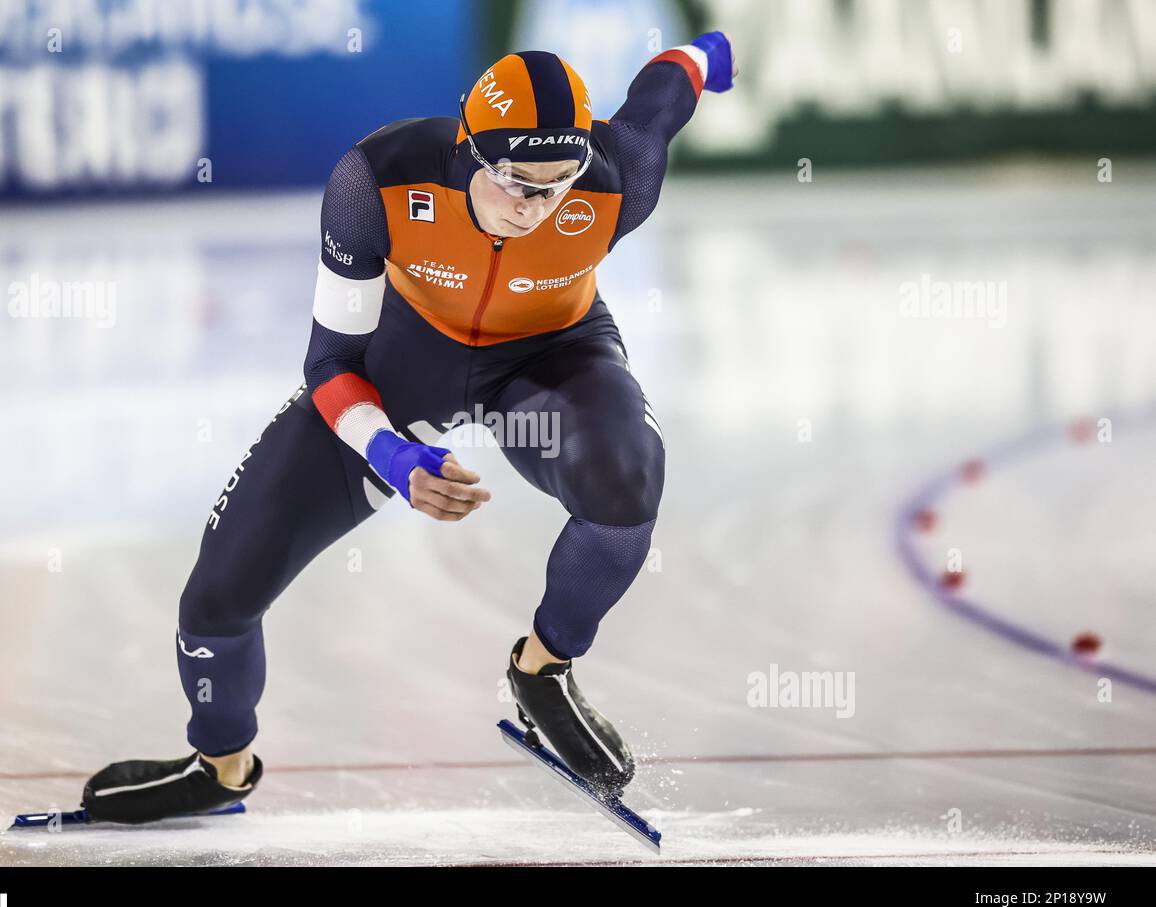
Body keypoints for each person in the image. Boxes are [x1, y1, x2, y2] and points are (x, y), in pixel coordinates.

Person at [81, 32, 738, 824]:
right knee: (218, 596)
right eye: (514, 183)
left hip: (549, 360)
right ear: (469, 149)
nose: (533, 208)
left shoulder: (616, 179)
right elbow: (329, 365)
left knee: (627, 484)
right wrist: (389, 452)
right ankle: (221, 766)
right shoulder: (377, 180)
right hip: (400, 363)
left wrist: (707, 52)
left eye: (557, 186)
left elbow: (661, 98)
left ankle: (544, 668)